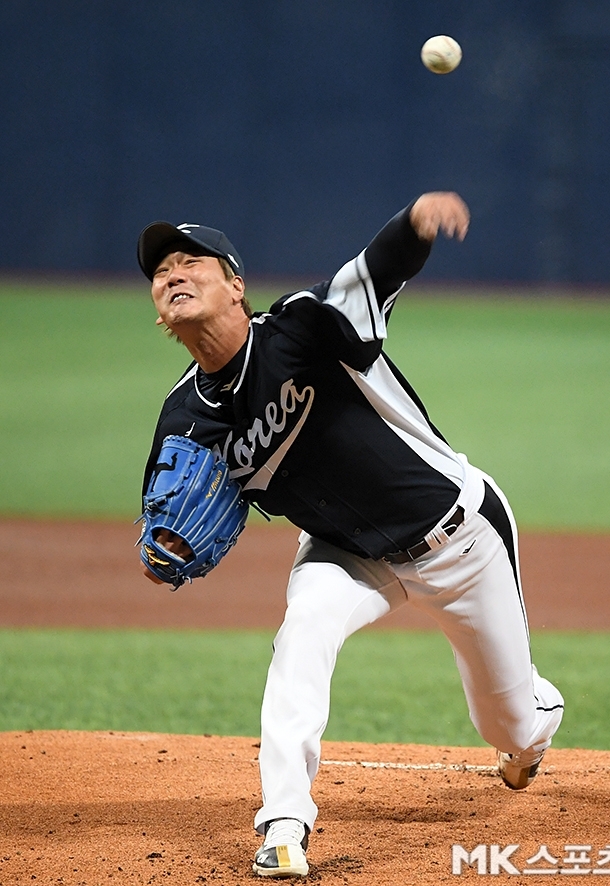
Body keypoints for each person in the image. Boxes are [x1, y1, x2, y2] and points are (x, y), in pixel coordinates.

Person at [137, 193, 564, 879]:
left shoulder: (301, 328)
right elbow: (166, 529)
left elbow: (373, 274)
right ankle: (283, 825)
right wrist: (166, 559)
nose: (172, 275)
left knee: (509, 726)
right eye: (160, 273)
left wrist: (415, 225)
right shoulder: (185, 418)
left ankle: (534, 723)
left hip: (457, 536)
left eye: (191, 262)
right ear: (159, 311)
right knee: (302, 628)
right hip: (345, 552)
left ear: (235, 286)